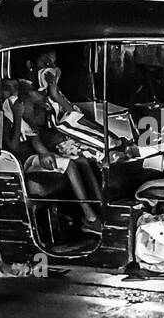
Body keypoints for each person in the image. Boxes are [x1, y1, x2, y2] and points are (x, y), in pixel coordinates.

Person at [8, 83, 104, 234]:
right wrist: (17, 116)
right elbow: (13, 146)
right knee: (70, 165)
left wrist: (45, 153)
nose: (31, 110)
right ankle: (90, 217)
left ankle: (103, 208)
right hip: (23, 162)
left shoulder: (29, 120)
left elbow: (35, 140)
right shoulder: (7, 116)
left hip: (36, 157)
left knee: (83, 162)